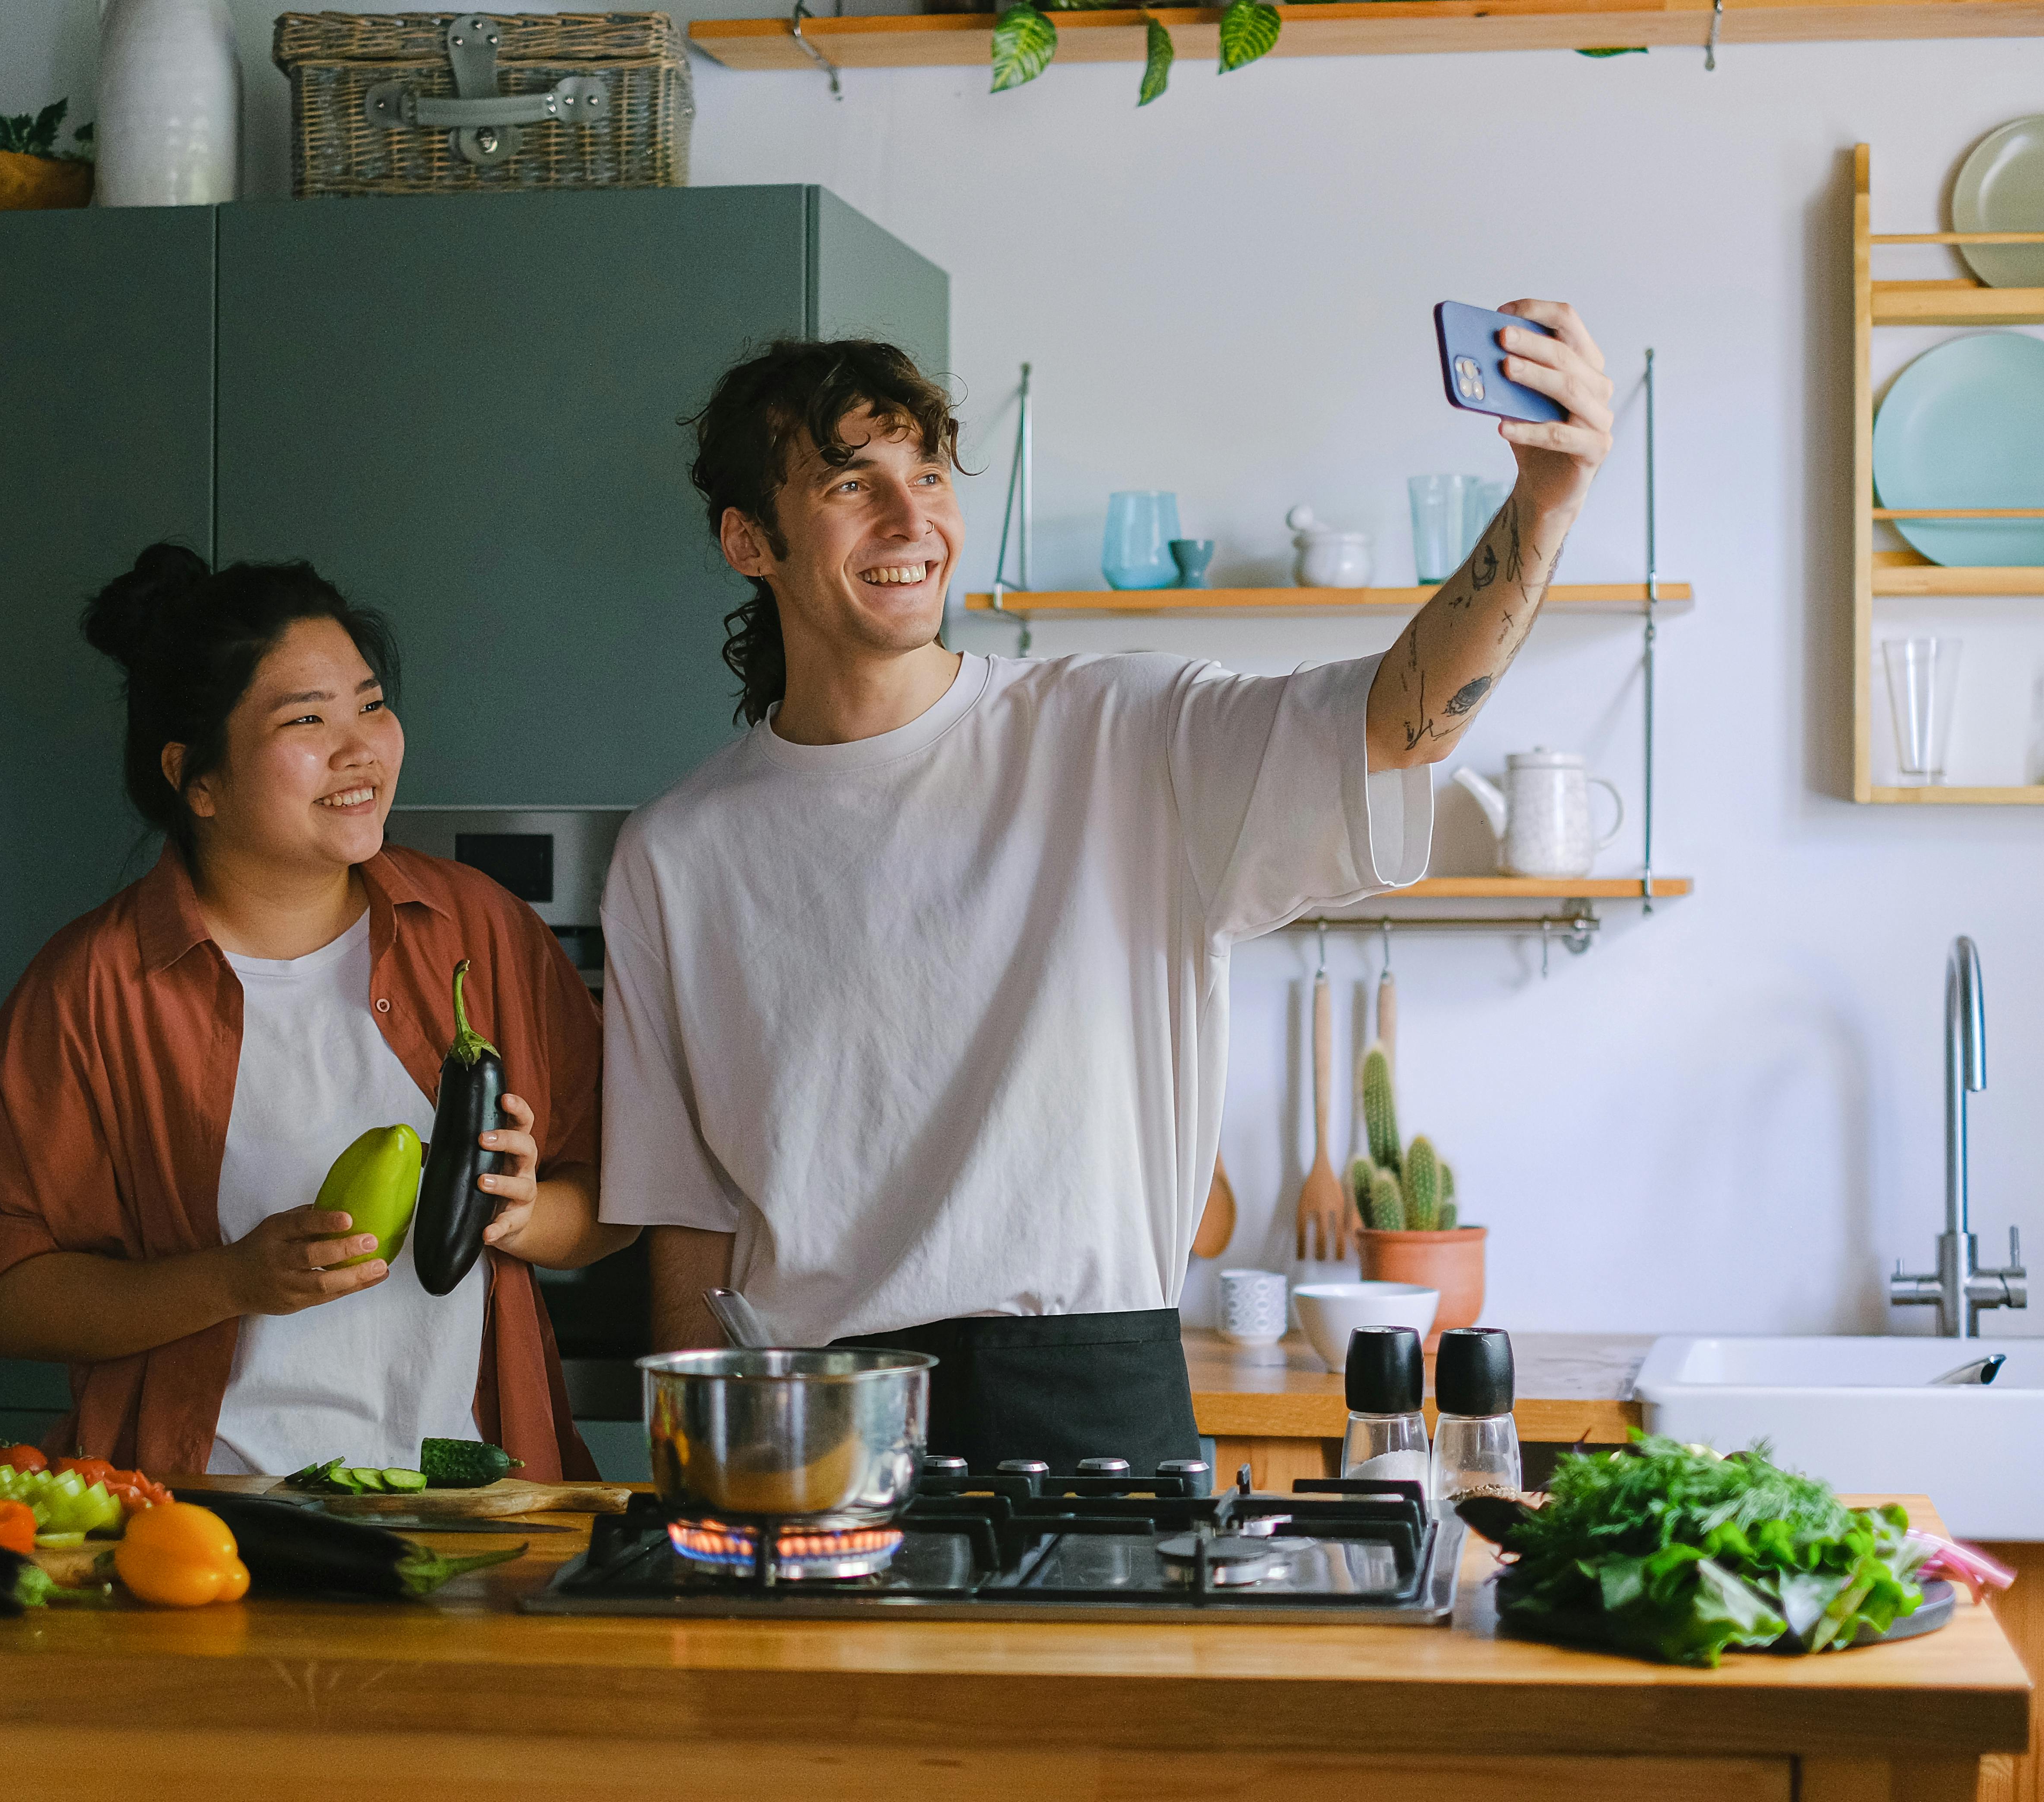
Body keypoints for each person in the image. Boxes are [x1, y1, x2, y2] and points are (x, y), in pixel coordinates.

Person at [603, 311, 1612, 1471]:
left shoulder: (1124, 733)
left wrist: (1544, 507)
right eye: (849, 483)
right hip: (812, 1425)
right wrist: (695, 1478)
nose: (910, 518)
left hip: (1091, 1401)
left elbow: (1396, 720)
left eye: (928, 474)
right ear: (750, 541)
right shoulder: (677, 853)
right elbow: (689, 1223)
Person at [0, 545, 633, 1478]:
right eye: (307, 718)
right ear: (198, 777)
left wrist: (521, 1214)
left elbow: (620, 1202)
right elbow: (7, 1302)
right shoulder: (89, 989)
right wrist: (231, 1280)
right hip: (203, 1515)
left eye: (372, 704)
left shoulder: (481, 932)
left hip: (474, 1504)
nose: (362, 749)